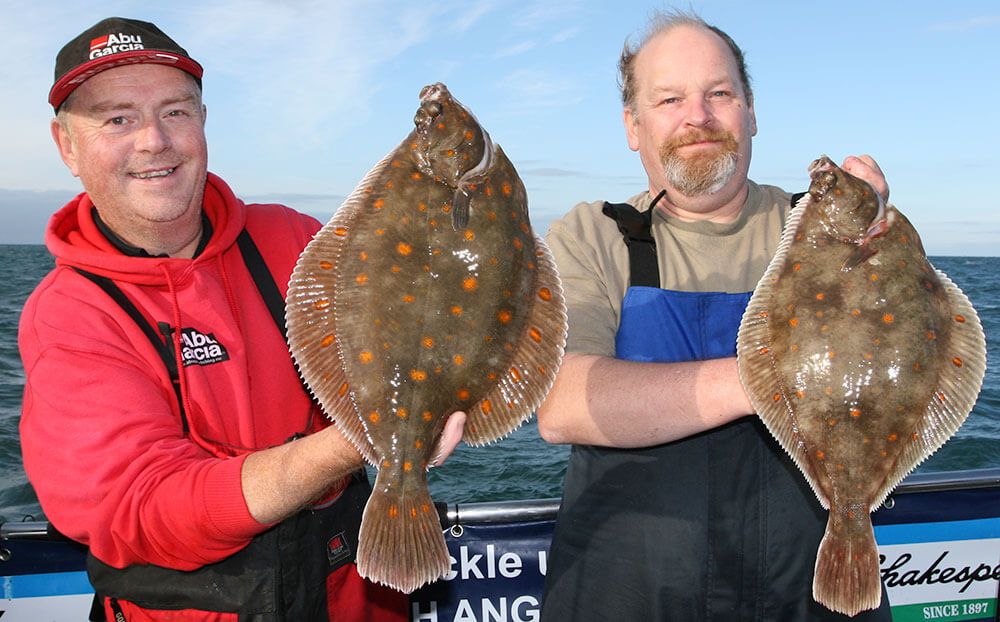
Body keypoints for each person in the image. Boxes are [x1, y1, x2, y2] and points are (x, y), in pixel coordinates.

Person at [18, 17, 464, 621]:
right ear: (66, 146)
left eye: (176, 111)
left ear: (203, 121)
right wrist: (362, 439)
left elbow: (425, 315)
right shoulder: (68, 316)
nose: (154, 140)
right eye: (117, 118)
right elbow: (143, 508)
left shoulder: (298, 242)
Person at [536, 10, 893, 621]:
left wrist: (874, 239)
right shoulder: (593, 236)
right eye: (670, 98)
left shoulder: (820, 227)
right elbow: (565, 405)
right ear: (633, 126)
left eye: (719, 94)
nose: (697, 116)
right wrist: (768, 376)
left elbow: (894, 369)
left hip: (811, 586)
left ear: (751, 111)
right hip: (629, 596)